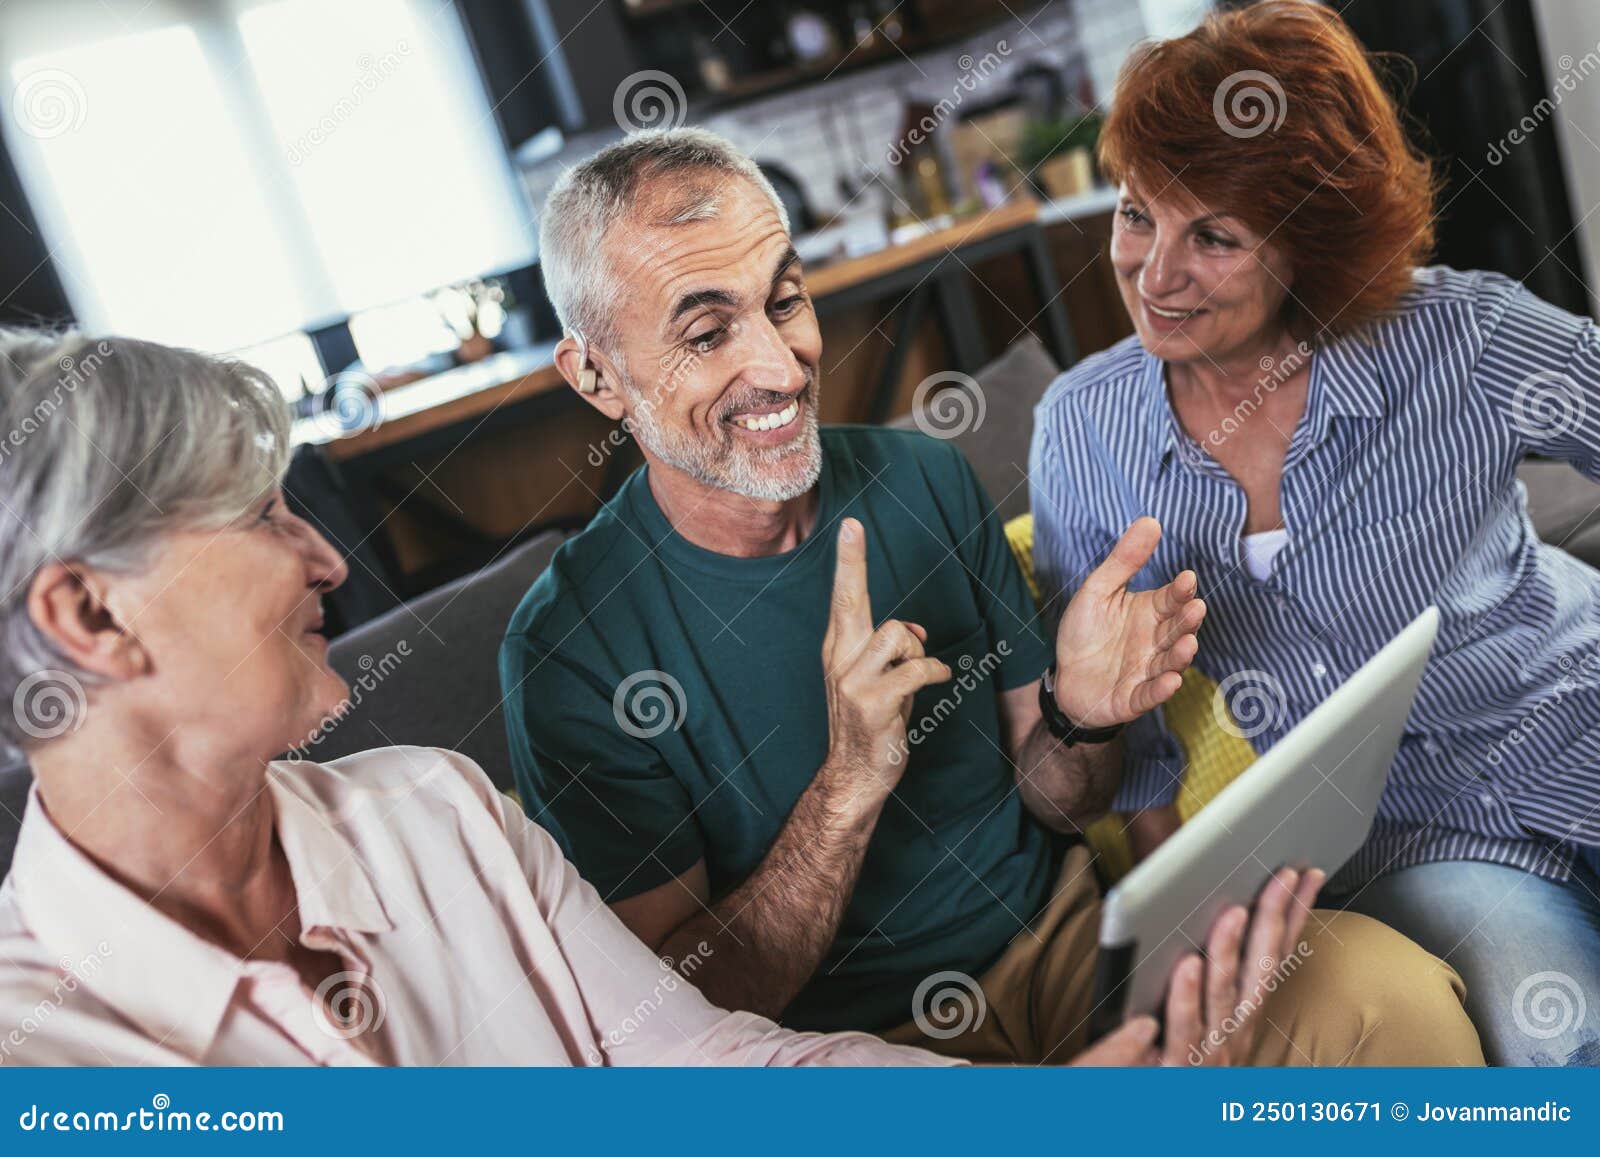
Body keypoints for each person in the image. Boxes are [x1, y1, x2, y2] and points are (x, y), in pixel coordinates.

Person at [501, 126, 1484, 1066]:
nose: (779, 363)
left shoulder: (921, 480)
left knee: (1392, 1000)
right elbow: (672, 1018)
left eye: (786, 299)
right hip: (854, 1052)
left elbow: (1058, 795)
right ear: (595, 374)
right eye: (708, 330)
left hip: (1069, 953)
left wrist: (1081, 713)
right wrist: (847, 786)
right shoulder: (570, 649)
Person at [0, 328, 979, 1067]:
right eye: (262, 517)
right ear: (89, 611)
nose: (332, 561)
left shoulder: (438, 806)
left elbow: (708, 1066)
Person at [1029, 0, 1600, 1066]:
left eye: (1214, 236)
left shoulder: (1460, 335)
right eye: (1135, 214)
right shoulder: (1083, 433)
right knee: (1556, 1035)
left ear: (1312, 243)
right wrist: (1087, 714)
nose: (1152, 276)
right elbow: (1138, 783)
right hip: (1422, 838)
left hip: (1579, 715)